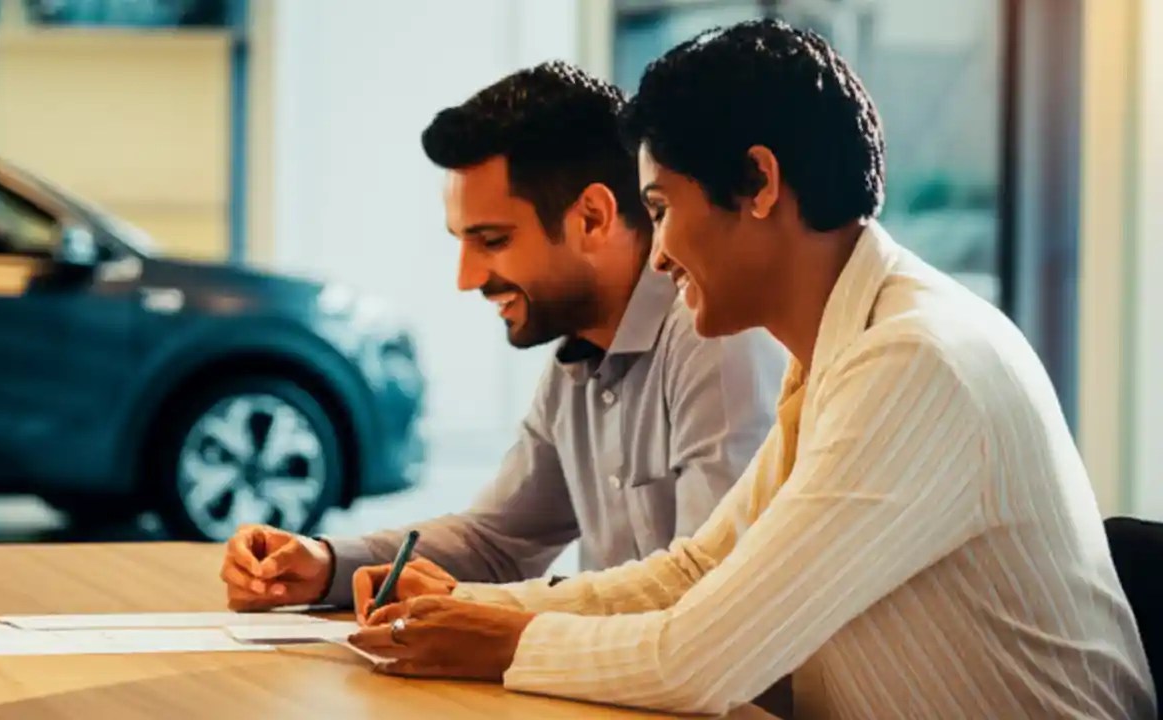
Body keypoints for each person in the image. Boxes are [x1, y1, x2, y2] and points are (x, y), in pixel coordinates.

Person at [349, 21, 1156, 719]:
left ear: (759, 184)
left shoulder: (917, 361)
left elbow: (702, 659)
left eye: (661, 210)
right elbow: (702, 568)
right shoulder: (848, 344)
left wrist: (506, 637)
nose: (656, 255)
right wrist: (469, 606)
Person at [219, 61, 786, 615]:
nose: (466, 279)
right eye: (461, 242)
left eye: (491, 240)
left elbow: (705, 594)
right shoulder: (578, 358)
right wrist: (322, 564)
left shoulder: (714, 338)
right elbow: (497, 543)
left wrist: (482, 609)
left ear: (592, 218)